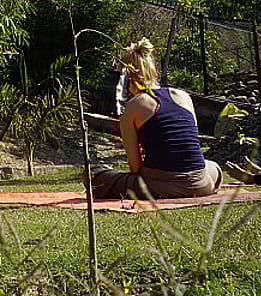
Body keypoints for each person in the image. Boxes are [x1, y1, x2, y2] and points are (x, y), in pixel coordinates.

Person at [88, 38, 223, 199]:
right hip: (201, 184)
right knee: (213, 166)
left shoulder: (130, 108)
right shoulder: (184, 96)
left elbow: (135, 168)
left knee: (93, 174)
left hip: (159, 186)